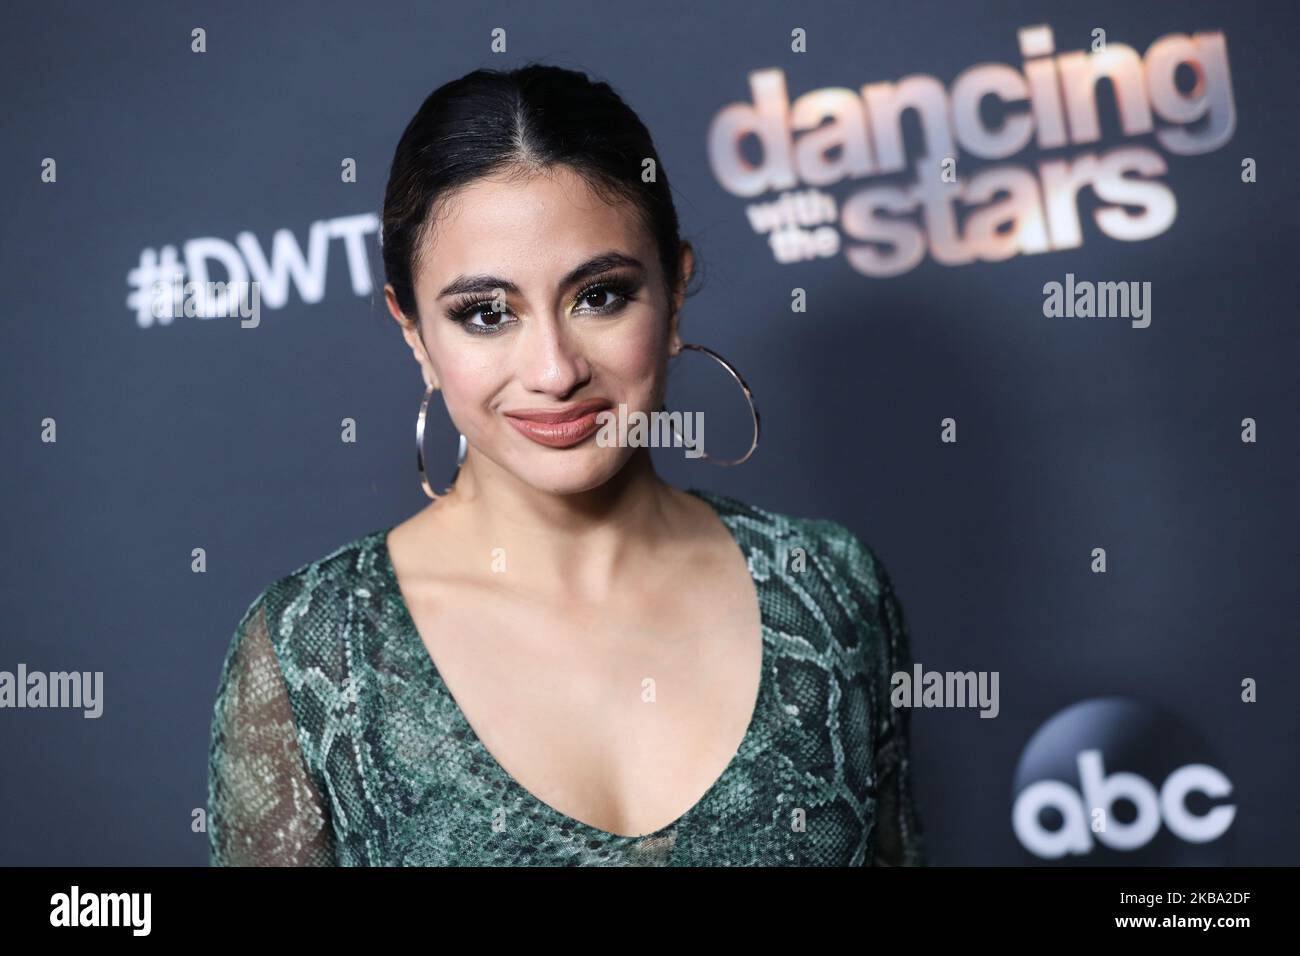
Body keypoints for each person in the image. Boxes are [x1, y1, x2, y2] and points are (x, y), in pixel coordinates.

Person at [206, 63, 925, 866]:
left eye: (601, 297)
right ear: (413, 333)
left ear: (675, 293)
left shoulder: (830, 587)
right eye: (486, 314)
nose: (554, 371)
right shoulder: (316, 652)